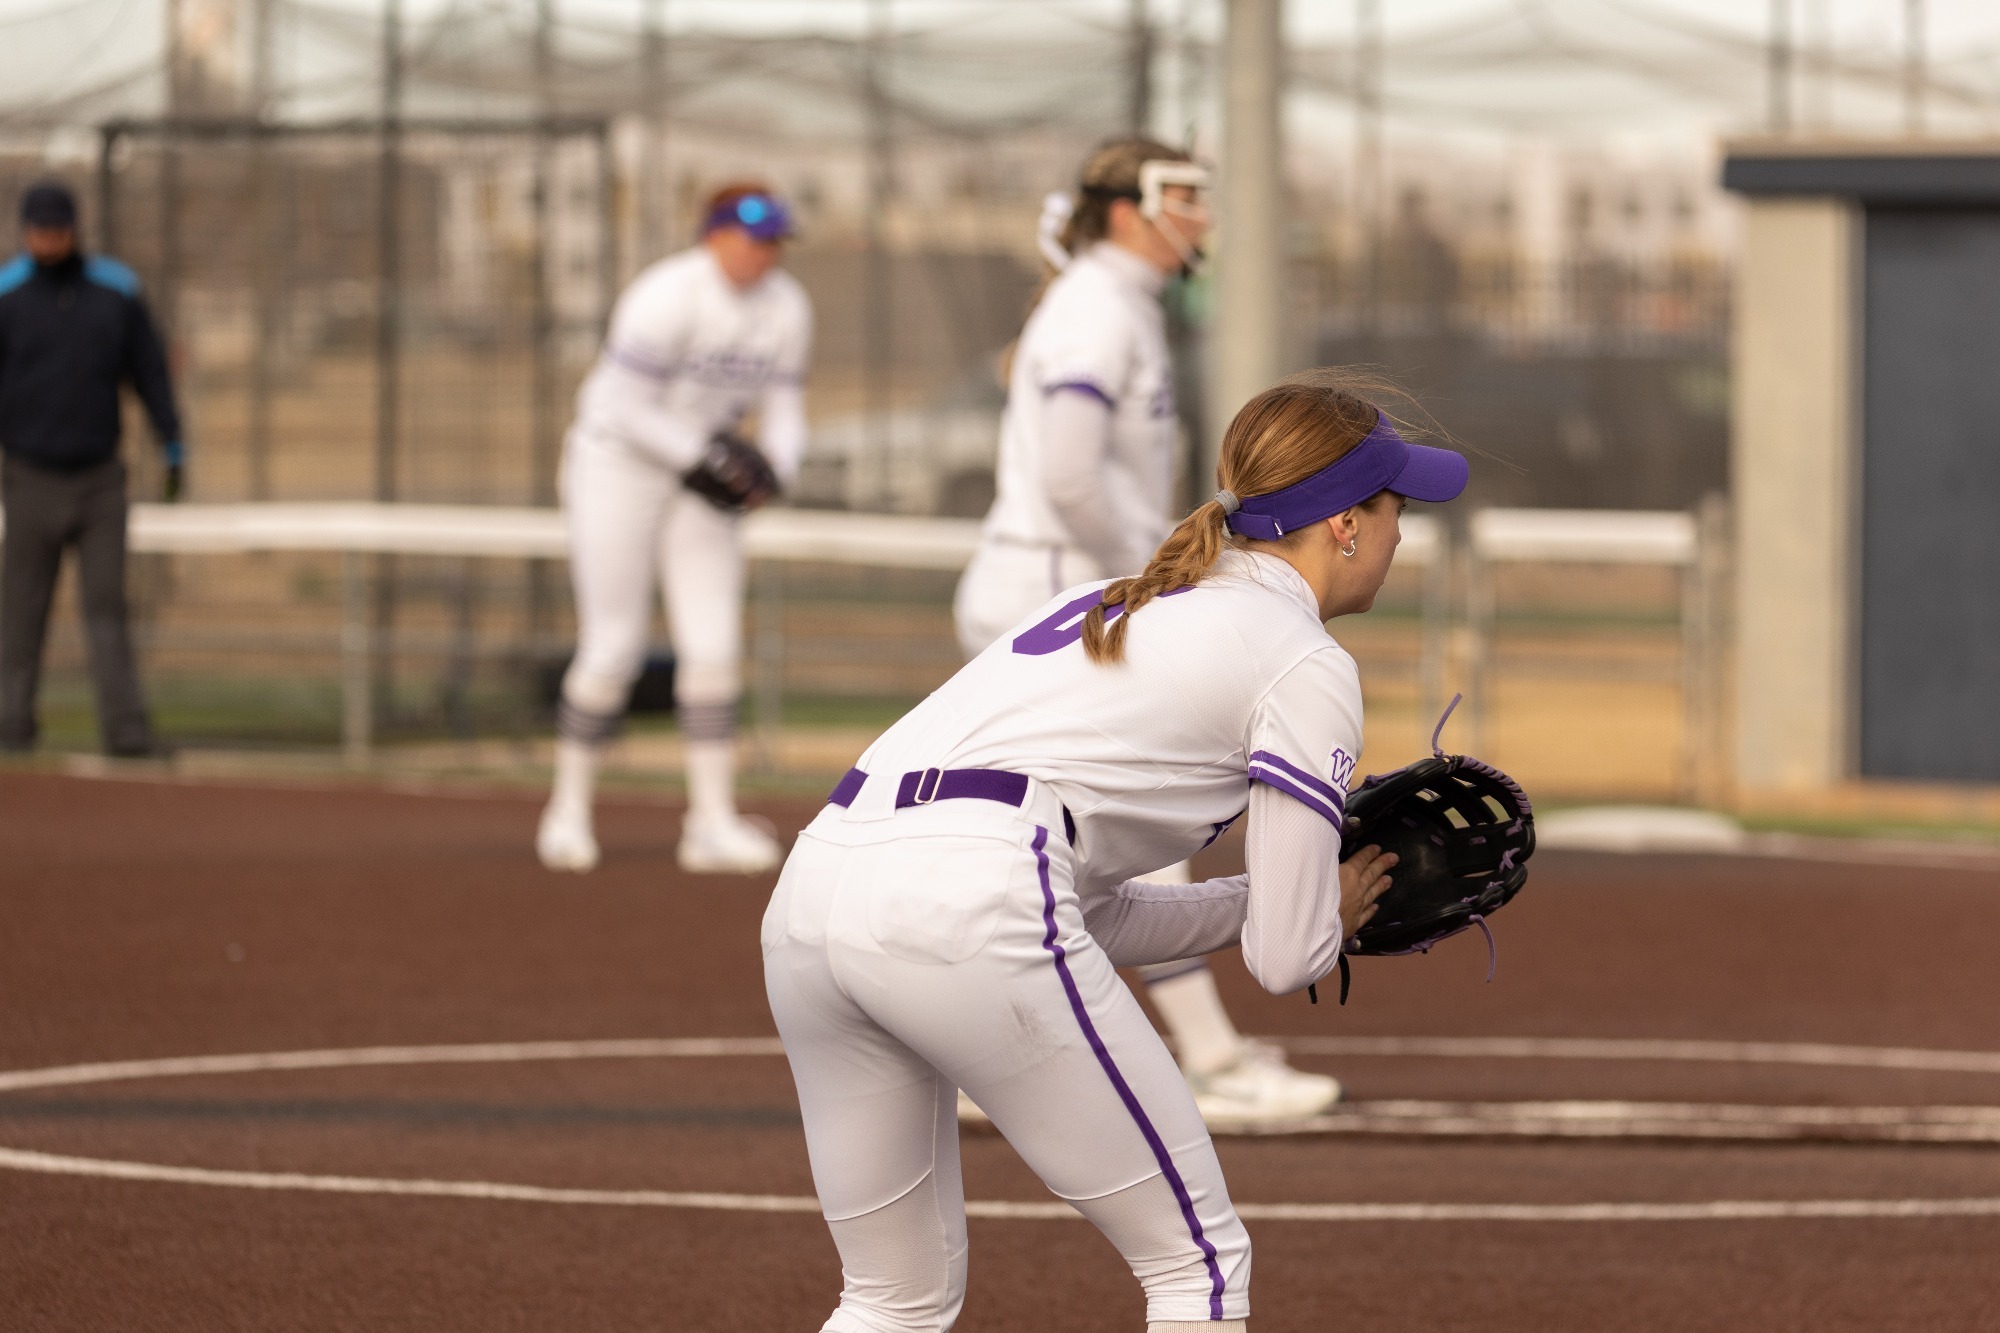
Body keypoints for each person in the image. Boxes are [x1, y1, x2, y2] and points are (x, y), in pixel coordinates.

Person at [765, 371, 1468, 1332]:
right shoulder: (1303, 658)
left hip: (818, 890)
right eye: (1394, 510)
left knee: (892, 1295)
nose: (1399, 535)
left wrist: (1263, 902)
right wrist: (1328, 915)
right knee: (1201, 1270)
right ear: (1345, 522)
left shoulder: (1120, 598)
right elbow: (1286, 960)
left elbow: (1084, 913)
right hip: (970, 894)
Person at [953, 137, 1336, 1127]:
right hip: (1056, 584)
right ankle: (1206, 1058)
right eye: (1183, 196)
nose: (1202, 215)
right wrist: (1158, 568)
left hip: (1056, 582)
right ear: (1126, 208)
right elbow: (1073, 475)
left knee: (1044, 845)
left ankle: (972, 1058)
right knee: (1137, 824)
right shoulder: (1092, 307)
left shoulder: (1110, 301)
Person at [537, 183, 811, 874]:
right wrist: (709, 455)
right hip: (618, 464)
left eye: (774, 239)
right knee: (613, 648)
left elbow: (784, 406)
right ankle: (567, 811)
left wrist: (775, 469)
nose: (764, 252)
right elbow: (624, 405)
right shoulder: (667, 294)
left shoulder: (787, 308)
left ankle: (711, 821)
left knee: (714, 647)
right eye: (752, 236)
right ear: (713, 234)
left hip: (698, 478)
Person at [0, 181, 183, 759]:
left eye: (58, 228)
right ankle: (10, 726)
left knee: (107, 610)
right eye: (39, 229)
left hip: (100, 480)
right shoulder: (8, 293)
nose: (49, 239)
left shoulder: (116, 290)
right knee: (21, 611)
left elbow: (150, 372)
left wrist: (172, 444)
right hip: (29, 476)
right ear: (25, 231)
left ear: (75, 228)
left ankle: (126, 732)